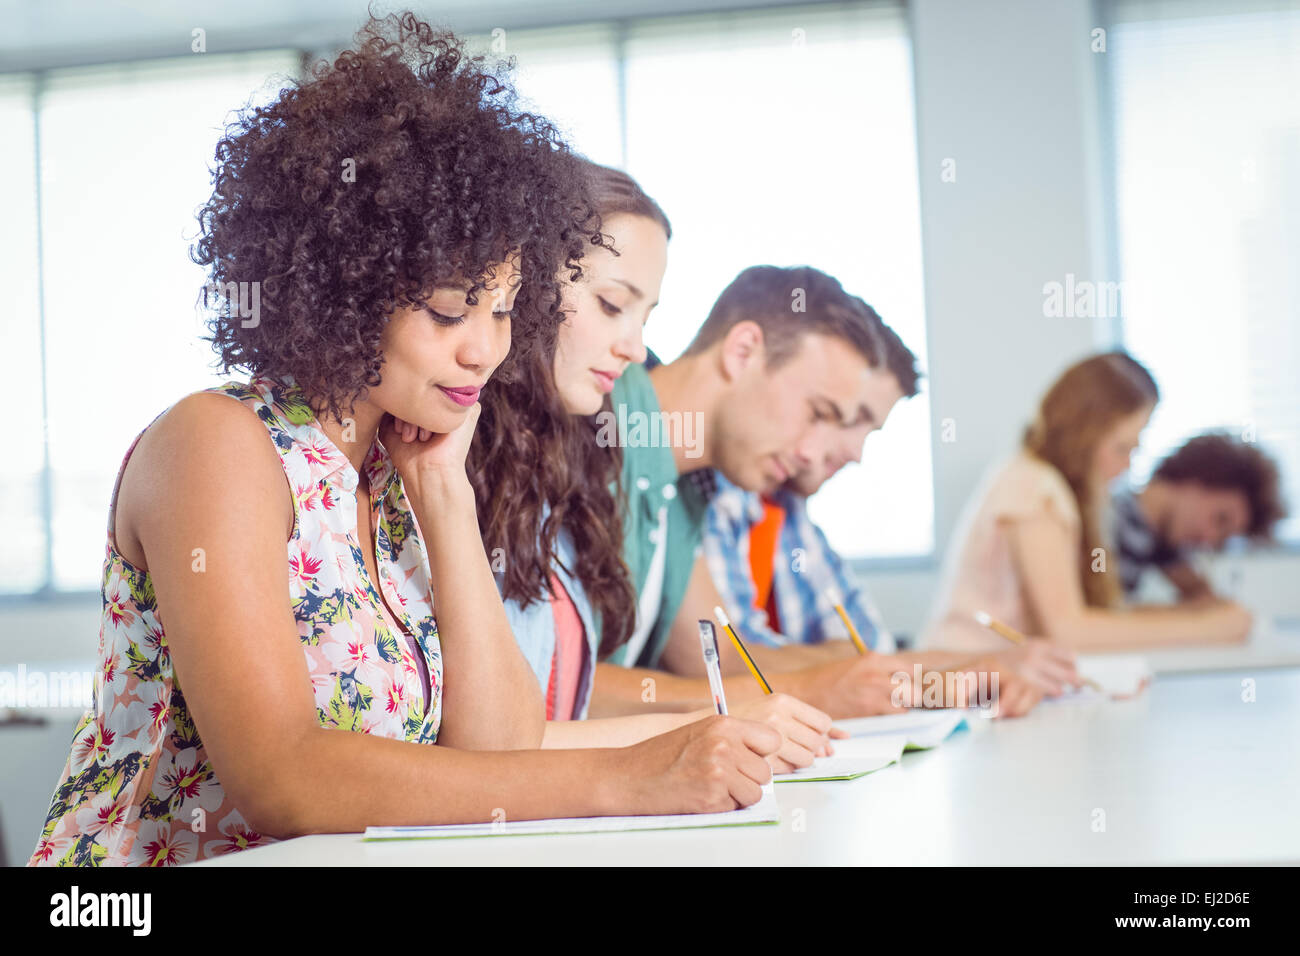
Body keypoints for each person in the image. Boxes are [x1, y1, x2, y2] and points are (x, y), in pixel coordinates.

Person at [28, 14, 778, 868]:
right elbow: (281, 773)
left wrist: (446, 497)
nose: (485, 348)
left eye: (504, 311)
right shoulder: (219, 444)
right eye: (453, 311)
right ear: (345, 285)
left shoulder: (403, 471)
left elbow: (497, 753)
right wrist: (624, 777)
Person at [469, 159, 835, 769]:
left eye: (646, 317)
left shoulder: (556, 464)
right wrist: (707, 726)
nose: (636, 348)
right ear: (521, 285)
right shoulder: (451, 461)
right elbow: (497, 739)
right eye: (612, 304)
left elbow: (548, 709)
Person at [585, 265, 1033, 720]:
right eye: (819, 412)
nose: (814, 452)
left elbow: (721, 661)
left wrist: (929, 679)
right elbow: (556, 686)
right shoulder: (593, 420)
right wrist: (814, 689)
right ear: (742, 352)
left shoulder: (683, 488)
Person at [703, 305, 1074, 708]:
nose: (855, 452)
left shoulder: (790, 514)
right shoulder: (718, 491)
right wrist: (873, 667)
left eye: (867, 427)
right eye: (837, 415)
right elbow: (729, 664)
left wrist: (977, 669)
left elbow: (871, 654)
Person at [919, 351, 1254, 655]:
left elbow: (1098, 617)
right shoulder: (1032, 485)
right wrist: (1208, 628)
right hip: (961, 686)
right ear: (1083, 437)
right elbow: (1070, 633)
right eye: (1122, 448)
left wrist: (1190, 614)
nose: (1127, 466)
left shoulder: (1053, 489)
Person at [1113, 432, 1286, 599]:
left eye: (1221, 538)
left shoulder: (1161, 539)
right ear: (1197, 478)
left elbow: (1207, 598)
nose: (1208, 538)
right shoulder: (1112, 516)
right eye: (1220, 518)